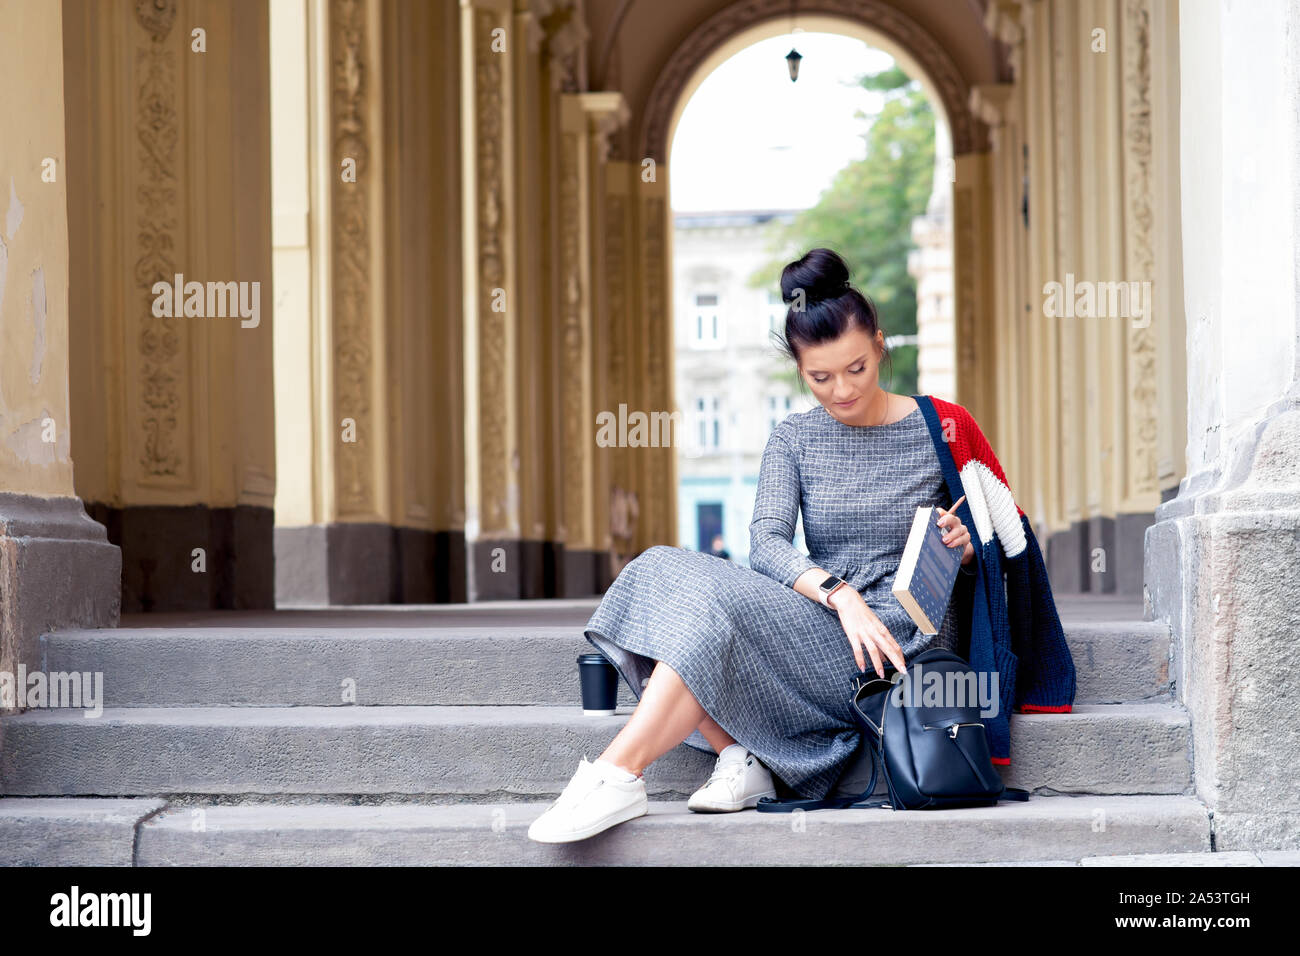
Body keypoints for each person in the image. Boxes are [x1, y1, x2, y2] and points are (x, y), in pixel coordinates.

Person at [527, 248, 975, 844]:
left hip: (896, 641)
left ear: (881, 345)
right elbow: (765, 542)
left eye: (857, 368)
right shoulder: (794, 436)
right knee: (659, 566)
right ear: (799, 370)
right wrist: (839, 596)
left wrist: (967, 547)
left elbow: (1000, 535)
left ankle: (622, 772)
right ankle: (723, 757)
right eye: (820, 377)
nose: (842, 389)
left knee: (716, 619)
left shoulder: (940, 427)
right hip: (825, 617)